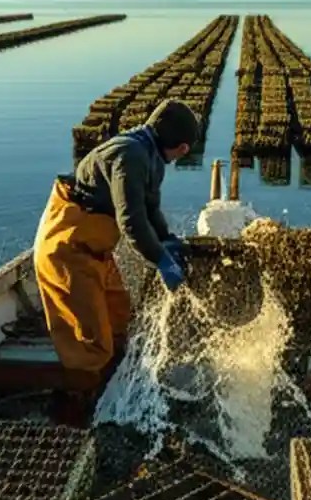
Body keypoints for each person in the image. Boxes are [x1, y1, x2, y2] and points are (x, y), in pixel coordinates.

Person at [34, 98, 199, 427]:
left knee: (121, 321)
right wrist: (160, 261)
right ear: (182, 147)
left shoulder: (150, 154)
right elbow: (132, 222)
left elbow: (149, 208)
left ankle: (107, 392)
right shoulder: (129, 155)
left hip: (97, 252)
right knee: (91, 345)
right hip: (68, 251)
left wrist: (167, 239)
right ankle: (71, 416)